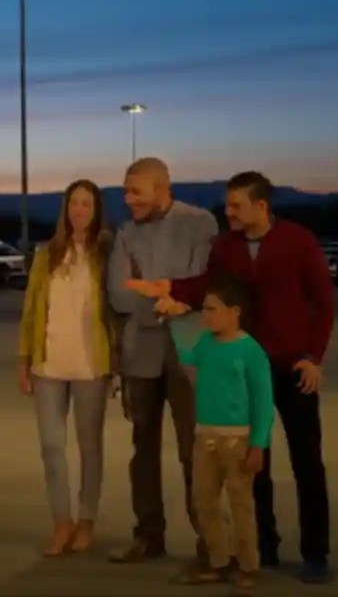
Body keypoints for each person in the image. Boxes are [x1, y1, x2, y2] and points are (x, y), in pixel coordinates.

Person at [142, 171, 336, 584]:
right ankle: (264, 546)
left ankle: (315, 553)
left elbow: (324, 303)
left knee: (307, 462)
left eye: (235, 206)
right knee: (254, 465)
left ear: (261, 206)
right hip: (244, 368)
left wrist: (313, 358)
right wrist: (172, 290)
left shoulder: (298, 241)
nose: (227, 212)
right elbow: (208, 289)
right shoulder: (225, 247)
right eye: (227, 204)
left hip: (291, 367)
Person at [106, 157, 219, 564]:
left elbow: (199, 286)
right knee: (143, 449)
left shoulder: (200, 224)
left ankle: (210, 542)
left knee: (195, 451)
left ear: (162, 188)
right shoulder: (126, 233)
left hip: (189, 355)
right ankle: (148, 536)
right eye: (125, 190)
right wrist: (164, 303)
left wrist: (170, 298)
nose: (128, 199)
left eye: (135, 190)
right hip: (141, 356)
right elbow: (119, 295)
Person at [18, 179, 115, 557]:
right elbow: (29, 313)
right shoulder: (47, 255)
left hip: (92, 365)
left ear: (96, 210)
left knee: (90, 448)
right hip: (48, 365)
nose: (79, 210)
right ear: (65, 208)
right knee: (52, 446)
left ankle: (86, 521)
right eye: (74, 203)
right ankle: (62, 523)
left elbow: (115, 310)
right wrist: (24, 361)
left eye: (86, 204)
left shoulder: (106, 253)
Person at [167, 278, 274, 594]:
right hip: (206, 437)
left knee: (241, 504)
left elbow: (263, 400)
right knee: (205, 502)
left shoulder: (250, 350)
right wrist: (175, 320)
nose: (206, 316)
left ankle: (248, 565)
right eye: (204, 310)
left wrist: (258, 443)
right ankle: (218, 560)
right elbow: (187, 357)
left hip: (237, 440)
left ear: (234, 311)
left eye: (212, 310)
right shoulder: (206, 344)